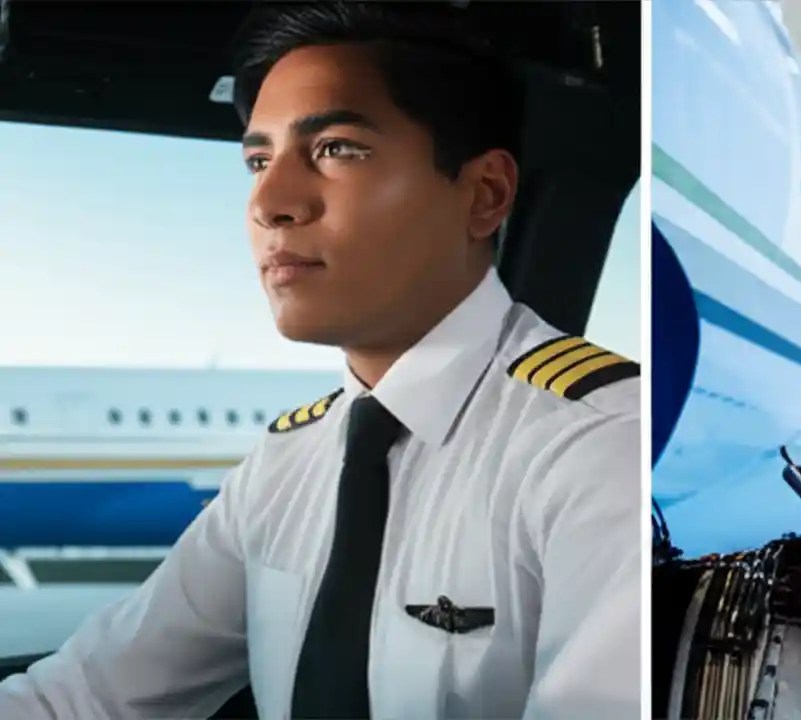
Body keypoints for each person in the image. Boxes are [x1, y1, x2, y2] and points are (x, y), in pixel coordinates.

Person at [0, 3, 641, 719]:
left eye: (337, 148)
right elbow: (91, 696)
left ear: (485, 194)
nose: (269, 202)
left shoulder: (597, 446)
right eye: (257, 160)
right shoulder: (288, 463)